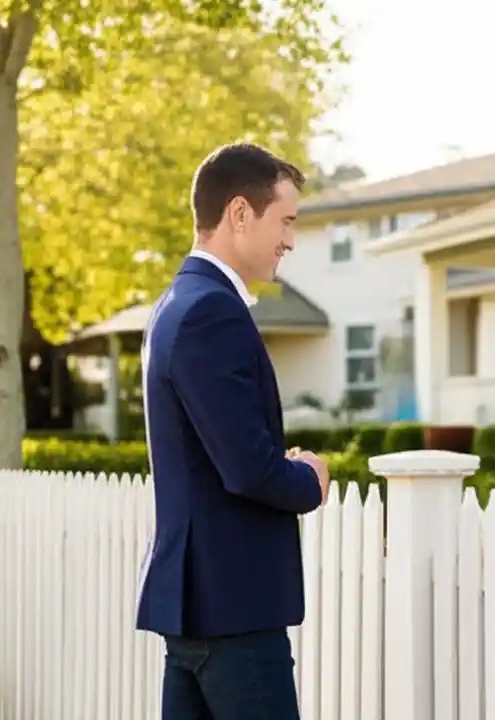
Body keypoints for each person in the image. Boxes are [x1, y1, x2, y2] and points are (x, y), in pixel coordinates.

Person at [135, 143, 330, 720]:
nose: (290, 240)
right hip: (234, 613)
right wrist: (309, 478)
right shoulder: (210, 312)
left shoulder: (177, 304)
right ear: (241, 214)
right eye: (286, 221)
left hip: (198, 611)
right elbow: (247, 468)